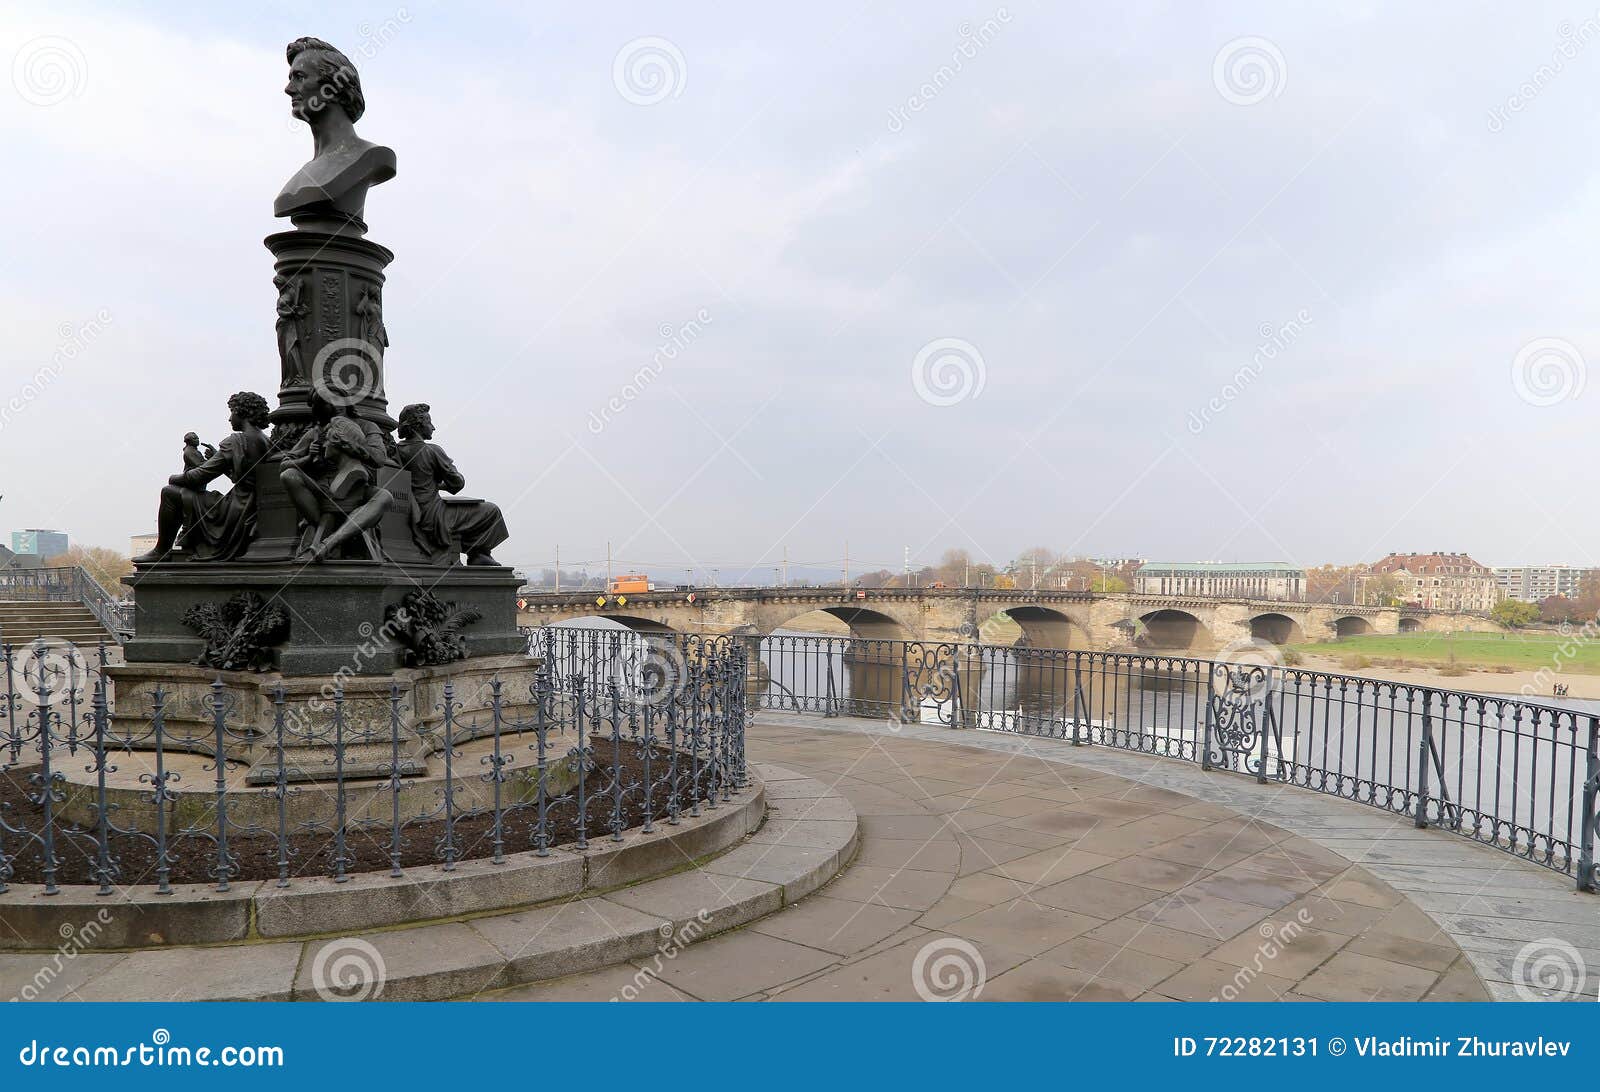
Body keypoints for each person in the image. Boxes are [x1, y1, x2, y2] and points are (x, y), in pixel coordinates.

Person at [134, 393, 271, 563]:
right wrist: (220, 460)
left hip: (233, 511)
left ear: (242, 412)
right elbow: (245, 477)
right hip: (250, 508)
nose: (229, 418)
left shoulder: (235, 441)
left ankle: (161, 550)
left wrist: (174, 478)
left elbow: (197, 477)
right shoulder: (266, 440)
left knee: (169, 492)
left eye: (232, 412)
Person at [279, 392, 394, 562]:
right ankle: (323, 525)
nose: (337, 405)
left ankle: (329, 540)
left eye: (340, 400)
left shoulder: (367, 426)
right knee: (289, 475)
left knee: (384, 497)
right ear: (321, 407)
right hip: (323, 489)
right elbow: (284, 464)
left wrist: (350, 445)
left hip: (358, 488)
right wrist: (308, 458)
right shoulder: (315, 432)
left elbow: (379, 458)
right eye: (329, 402)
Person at [395, 402, 508, 566]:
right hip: (433, 515)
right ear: (419, 425)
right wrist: (438, 484)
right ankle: (477, 554)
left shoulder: (396, 450)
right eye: (429, 422)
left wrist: (432, 483)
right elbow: (457, 483)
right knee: (491, 510)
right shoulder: (432, 450)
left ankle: (477, 554)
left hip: (413, 510)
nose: (433, 427)